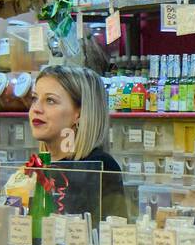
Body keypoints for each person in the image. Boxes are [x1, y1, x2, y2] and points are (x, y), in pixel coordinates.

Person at [28, 65, 127, 222]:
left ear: (79, 114)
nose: (36, 109)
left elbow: (114, 239)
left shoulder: (100, 166)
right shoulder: (40, 165)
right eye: (34, 98)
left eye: (50, 100)